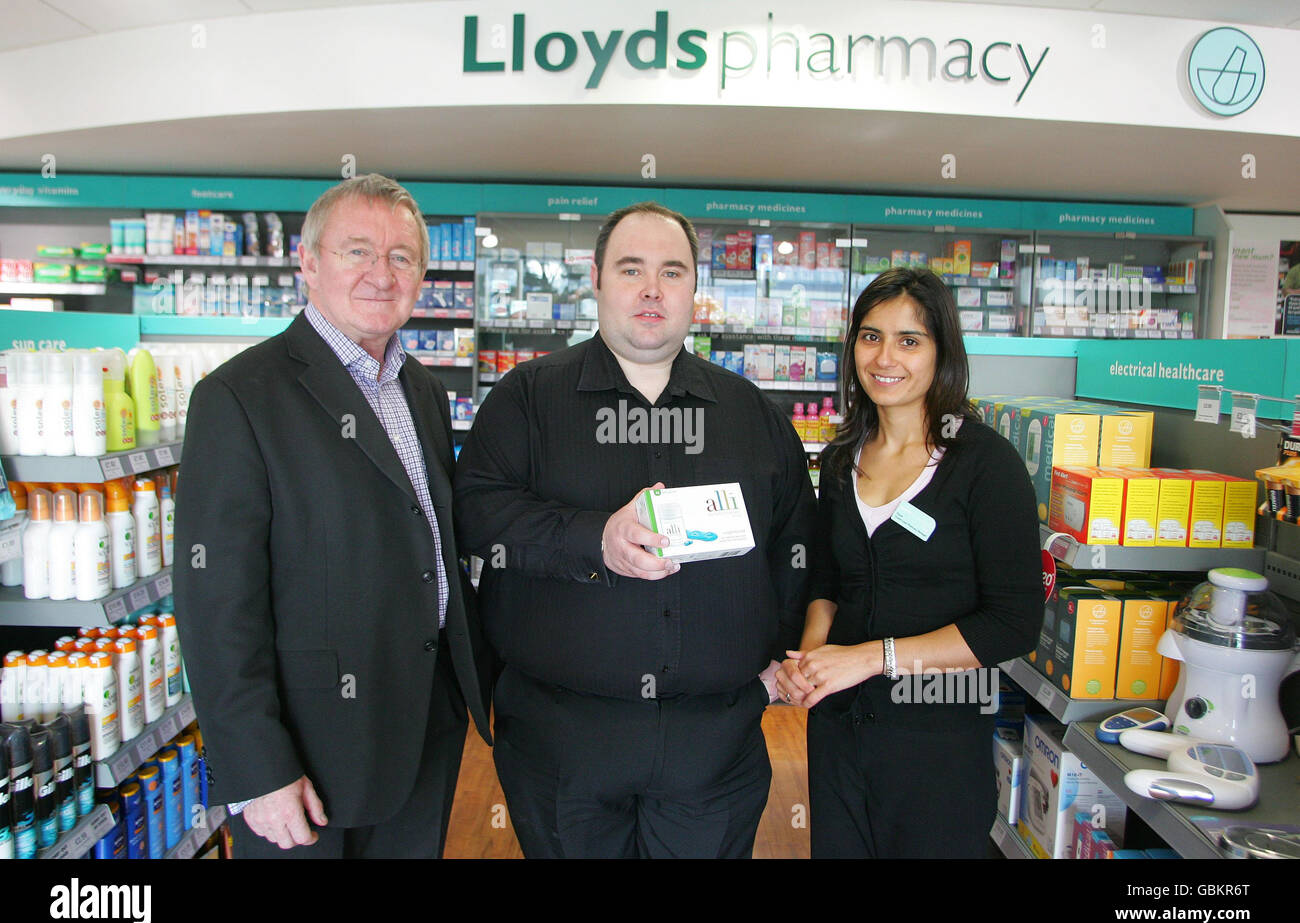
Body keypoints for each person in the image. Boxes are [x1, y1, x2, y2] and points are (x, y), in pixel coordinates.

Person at [454, 201, 817, 858]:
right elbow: (478, 514)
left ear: (694, 289)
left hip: (715, 747)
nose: (653, 288)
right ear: (596, 278)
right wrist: (595, 539)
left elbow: (796, 548)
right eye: (632, 268)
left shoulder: (750, 414)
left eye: (672, 271)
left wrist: (770, 668)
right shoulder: (527, 398)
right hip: (563, 744)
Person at [173, 173, 493, 858]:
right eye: (357, 252)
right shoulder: (238, 397)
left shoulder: (424, 392)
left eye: (402, 257)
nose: (382, 274)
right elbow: (215, 604)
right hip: (310, 752)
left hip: (425, 727)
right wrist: (258, 769)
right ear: (309, 264)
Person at [775, 266, 1042, 858]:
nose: (884, 357)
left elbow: (1013, 623)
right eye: (870, 337)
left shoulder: (984, 465)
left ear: (942, 352)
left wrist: (872, 659)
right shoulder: (845, 457)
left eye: (909, 340)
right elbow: (828, 577)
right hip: (841, 731)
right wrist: (813, 657)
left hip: (936, 740)